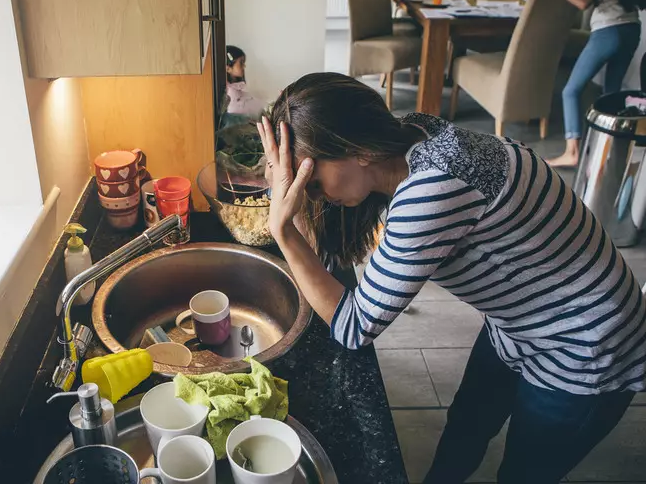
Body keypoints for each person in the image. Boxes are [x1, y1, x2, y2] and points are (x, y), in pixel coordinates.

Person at [258, 72, 645, 483]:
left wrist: (282, 228)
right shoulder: (415, 134)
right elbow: (325, 256)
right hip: (518, 324)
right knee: (467, 425)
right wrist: (278, 187)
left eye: (310, 181)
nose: (309, 195)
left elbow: (353, 326)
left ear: (359, 151)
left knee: (523, 472)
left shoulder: (433, 188)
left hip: (586, 345)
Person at [544, 0, 646, 167]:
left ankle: (572, 152)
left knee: (571, 90)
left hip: (607, 32)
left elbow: (583, 3)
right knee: (610, 93)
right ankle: (611, 149)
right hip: (631, 30)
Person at [224, 45, 264, 122]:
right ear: (228, 68)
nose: (244, 66)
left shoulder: (239, 86)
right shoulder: (229, 91)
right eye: (241, 63)